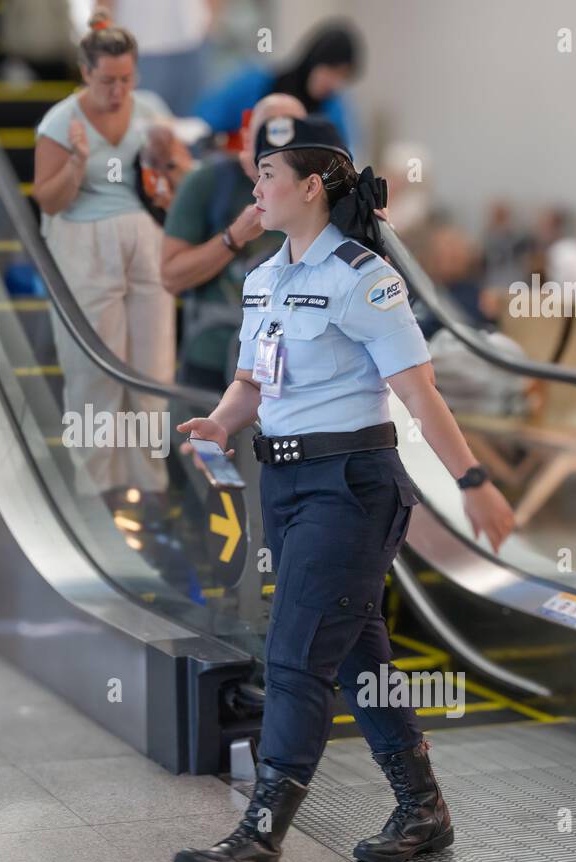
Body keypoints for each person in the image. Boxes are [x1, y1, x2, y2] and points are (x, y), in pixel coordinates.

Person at [173, 117, 515, 862]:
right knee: (359, 655)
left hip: (352, 488)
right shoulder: (264, 279)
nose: (255, 187)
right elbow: (253, 379)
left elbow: (420, 394)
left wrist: (473, 481)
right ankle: (423, 809)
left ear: (311, 185)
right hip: (287, 484)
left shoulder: (365, 278)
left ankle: (260, 834)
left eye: (267, 174)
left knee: (296, 656)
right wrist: (221, 423)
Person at [33, 9, 177, 514]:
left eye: (127, 80)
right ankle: (97, 492)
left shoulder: (152, 110)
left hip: (147, 241)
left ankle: (149, 487)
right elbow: (48, 201)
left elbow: (180, 177)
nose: (119, 91)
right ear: (86, 73)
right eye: (108, 81)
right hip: (85, 245)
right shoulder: (60, 122)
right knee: (94, 372)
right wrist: (75, 163)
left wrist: (171, 158)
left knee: (152, 370)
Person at [160, 93, 308, 390]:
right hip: (212, 358)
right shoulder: (208, 183)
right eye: (268, 134)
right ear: (246, 136)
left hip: (293, 364)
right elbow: (171, 277)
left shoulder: (317, 191)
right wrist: (234, 237)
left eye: (289, 136)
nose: (277, 147)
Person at [192, 20, 364, 159]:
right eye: (330, 71)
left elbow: (345, 157)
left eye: (342, 77)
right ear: (314, 61)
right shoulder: (255, 83)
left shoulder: (333, 110)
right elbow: (202, 124)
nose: (333, 83)